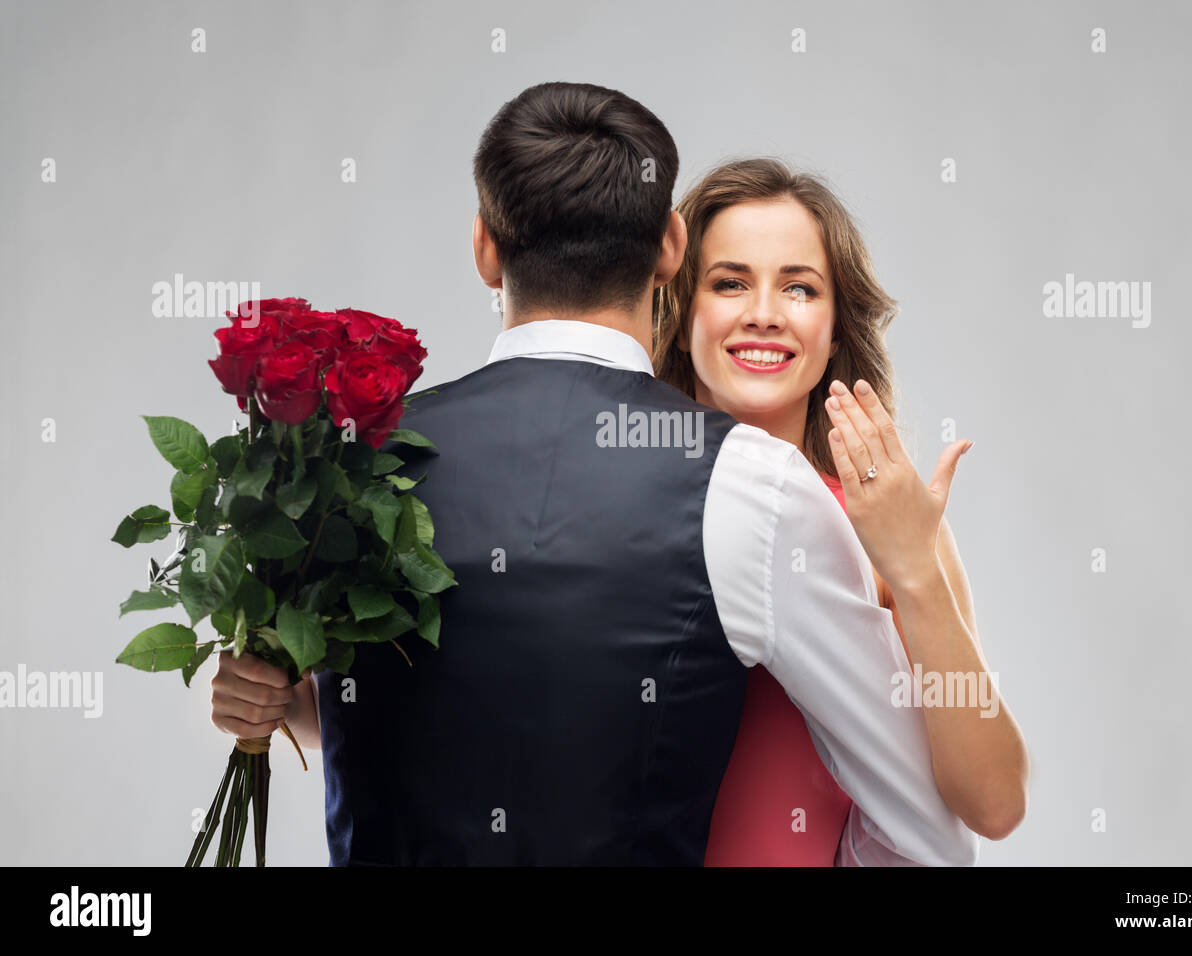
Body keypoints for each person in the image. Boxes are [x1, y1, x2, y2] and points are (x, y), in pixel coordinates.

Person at [209, 81, 979, 866]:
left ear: (484, 248)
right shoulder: (757, 485)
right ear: (673, 248)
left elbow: (388, 726)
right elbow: (928, 834)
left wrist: (278, 700)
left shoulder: (352, 462)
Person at [653, 158, 1029, 865]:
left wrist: (914, 569)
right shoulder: (628, 504)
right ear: (680, 316)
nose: (763, 312)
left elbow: (994, 803)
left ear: (834, 328)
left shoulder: (892, 525)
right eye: (729, 282)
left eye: (799, 288)